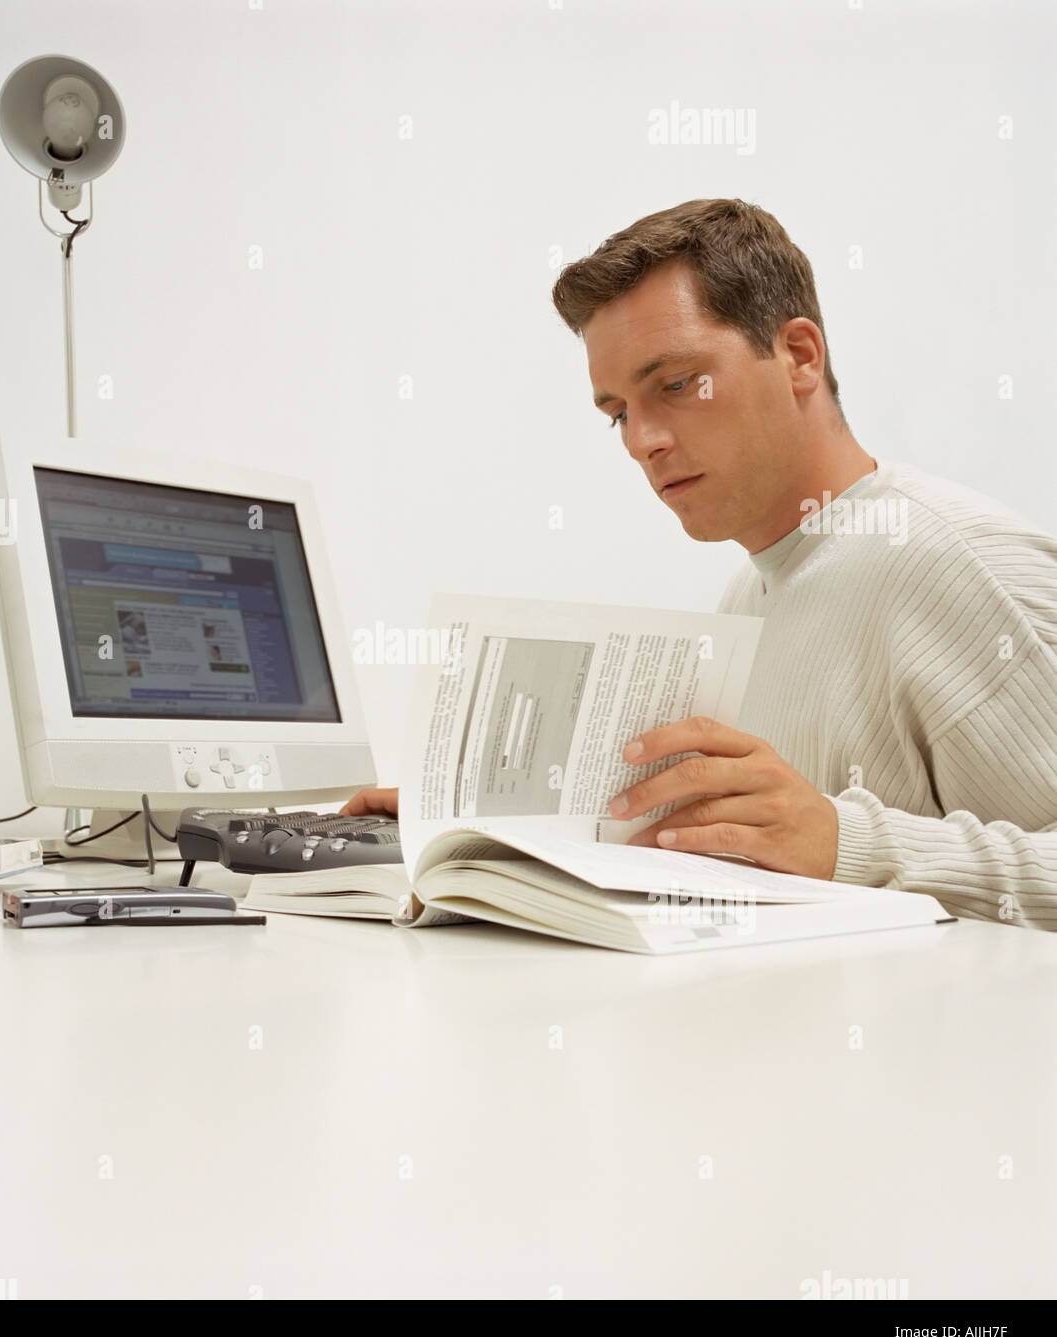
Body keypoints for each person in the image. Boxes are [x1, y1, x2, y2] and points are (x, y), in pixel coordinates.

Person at [343, 198, 1057, 930]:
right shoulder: (750, 594)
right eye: (618, 413)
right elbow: (762, 849)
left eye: (678, 384)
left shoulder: (962, 565)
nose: (641, 441)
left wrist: (845, 842)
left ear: (799, 356)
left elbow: (828, 845)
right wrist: (484, 830)